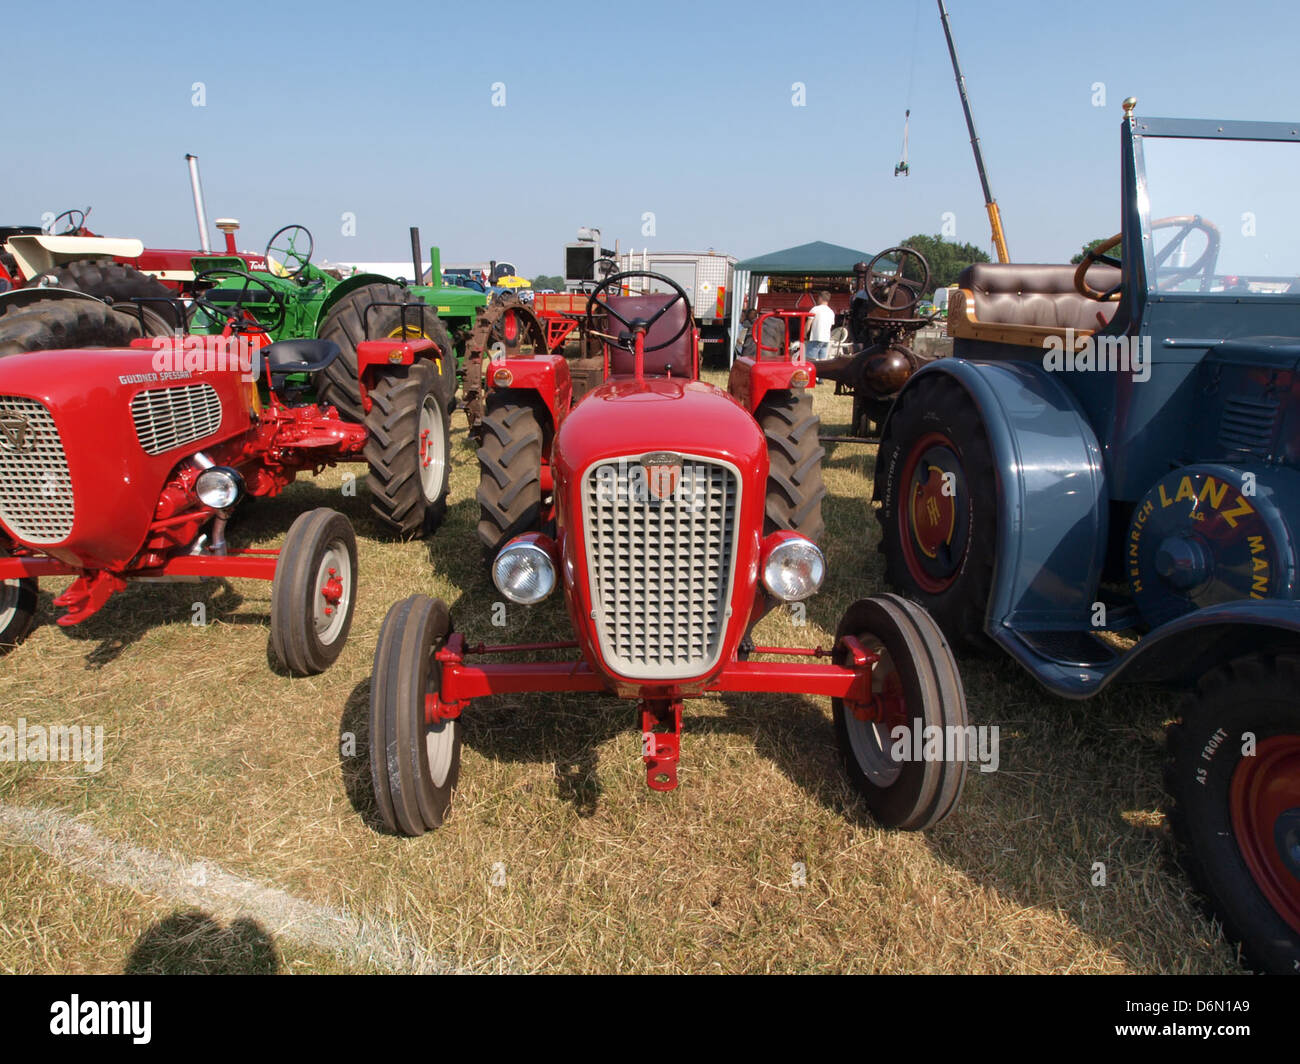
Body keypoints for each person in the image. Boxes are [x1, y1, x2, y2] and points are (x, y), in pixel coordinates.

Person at [805, 291, 834, 361]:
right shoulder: (831, 312)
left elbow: (808, 324)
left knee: (810, 360)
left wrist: (803, 335)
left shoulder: (815, 309)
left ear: (820, 298)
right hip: (826, 339)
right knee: (822, 362)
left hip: (816, 338)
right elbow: (830, 326)